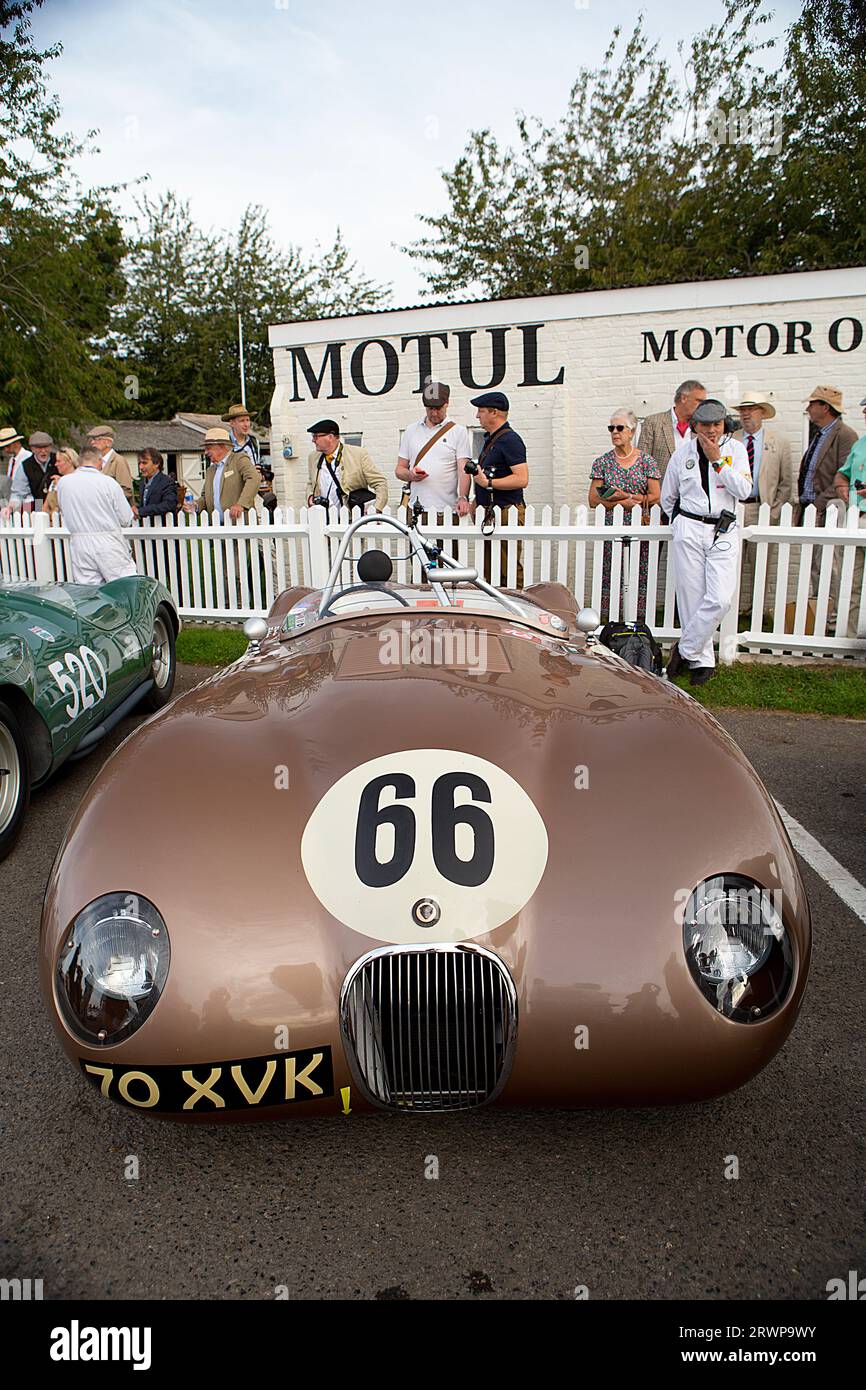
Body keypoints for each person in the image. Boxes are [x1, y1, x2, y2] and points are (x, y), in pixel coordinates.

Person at [662, 398, 752, 685]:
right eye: (705, 424)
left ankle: (685, 650)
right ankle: (703, 662)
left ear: (724, 425)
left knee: (719, 599)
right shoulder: (682, 454)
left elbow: (744, 490)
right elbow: (668, 497)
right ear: (695, 426)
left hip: (722, 528)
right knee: (691, 597)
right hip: (689, 525)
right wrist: (678, 523)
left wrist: (717, 461)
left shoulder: (735, 451)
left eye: (716, 424)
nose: (711, 430)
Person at [589, 409, 661, 620]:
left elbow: (656, 496)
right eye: (611, 428)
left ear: (632, 431)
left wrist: (629, 496)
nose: (615, 432)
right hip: (612, 525)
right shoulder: (602, 462)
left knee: (640, 571)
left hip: (640, 525)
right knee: (611, 571)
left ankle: (638, 618)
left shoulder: (647, 461)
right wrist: (620, 501)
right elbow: (593, 500)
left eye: (620, 428)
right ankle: (611, 618)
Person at [733, 389, 795, 615]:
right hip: (736, 507)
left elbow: (786, 482)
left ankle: (757, 610)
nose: (746, 414)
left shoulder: (778, 442)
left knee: (761, 563)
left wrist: (774, 511)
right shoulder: (731, 440)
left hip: (762, 507)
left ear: (762, 413)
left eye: (750, 409)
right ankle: (733, 609)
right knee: (733, 561)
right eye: (743, 410)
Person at [469, 391, 528, 587]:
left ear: (494, 412)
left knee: (507, 567)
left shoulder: (510, 440)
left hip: (506, 511)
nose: (477, 415)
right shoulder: (493, 439)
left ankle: (517, 607)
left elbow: (522, 478)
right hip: (493, 511)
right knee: (492, 568)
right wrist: (478, 500)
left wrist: (489, 484)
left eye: (481, 411)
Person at [55, 446, 137, 584]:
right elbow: (125, 518)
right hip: (107, 541)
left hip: (79, 543)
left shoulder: (63, 483)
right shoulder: (108, 482)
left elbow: (63, 509)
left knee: (89, 592)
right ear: (99, 461)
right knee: (124, 586)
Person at [396, 380, 472, 518]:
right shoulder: (411, 430)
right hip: (416, 508)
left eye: (438, 408)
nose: (434, 413)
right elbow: (399, 470)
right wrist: (411, 475)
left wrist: (463, 497)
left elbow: (464, 470)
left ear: (447, 404)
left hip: (447, 510)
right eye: (430, 408)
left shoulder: (458, 432)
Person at [832, 392, 866, 637]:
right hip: (858, 519)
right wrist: (842, 485)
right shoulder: (861, 443)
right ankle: (850, 637)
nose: (864, 413)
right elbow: (842, 473)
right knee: (851, 581)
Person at [307, 420, 388, 512]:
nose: (313, 440)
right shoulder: (313, 457)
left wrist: (376, 509)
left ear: (330, 437)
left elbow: (380, 483)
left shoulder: (358, 454)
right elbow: (311, 483)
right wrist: (310, 497)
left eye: (316, 436)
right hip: (322, 517)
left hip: (351, 517)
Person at [638, 380, 707, 479]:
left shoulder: (701, 426)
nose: (702, 406)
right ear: (683, 398)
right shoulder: (654, 422)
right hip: (662, 489)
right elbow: (642, 460)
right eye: (699, 401)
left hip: (692, 490)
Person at [187, 427, 261, 519]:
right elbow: (205, 498)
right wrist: (196, 506)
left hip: (240, 524)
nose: (205, 452)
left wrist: (241, 505)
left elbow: (254, 478)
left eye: (208, 448)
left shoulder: (239, 459)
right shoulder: (210, 470)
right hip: (217, 527)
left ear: (221, 447)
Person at [86, 425, 135, 501]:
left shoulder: (119, 461)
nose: (92, 442)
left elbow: (127, 491)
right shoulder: (94, 462)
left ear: (108, 442)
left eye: (97, 439)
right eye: (92, 439)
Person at [137, 448, 179, 520]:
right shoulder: (142, 483)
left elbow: (169, 504)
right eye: (139, 463)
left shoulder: (167, 482)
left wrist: (142, 511)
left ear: (156, 463)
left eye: (144, 463)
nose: (140, 467)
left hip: (164, 529)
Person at [0, 427, 34, 511]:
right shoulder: (12, 460)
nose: (5, 449)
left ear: (16, 443)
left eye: (7, 446)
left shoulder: (28, 457)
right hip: (15, 500)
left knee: (29, 521)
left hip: (29, 499)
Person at [43, 448, 78, 518]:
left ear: (69, 461)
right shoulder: (54, 481)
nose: (56, 464)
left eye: (59, 461)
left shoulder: (79, 480)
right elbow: (45, 508)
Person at [25, 431, 59, 501]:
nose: (43, 451)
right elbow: (22, 493)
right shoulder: (25, 465)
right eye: (39, 448)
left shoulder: (58, 459)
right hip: (38, 501)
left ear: (51, 447)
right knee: (37, 510)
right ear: (32, 449)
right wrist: (26, 511)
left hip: (57, 501)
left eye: (46, 447)